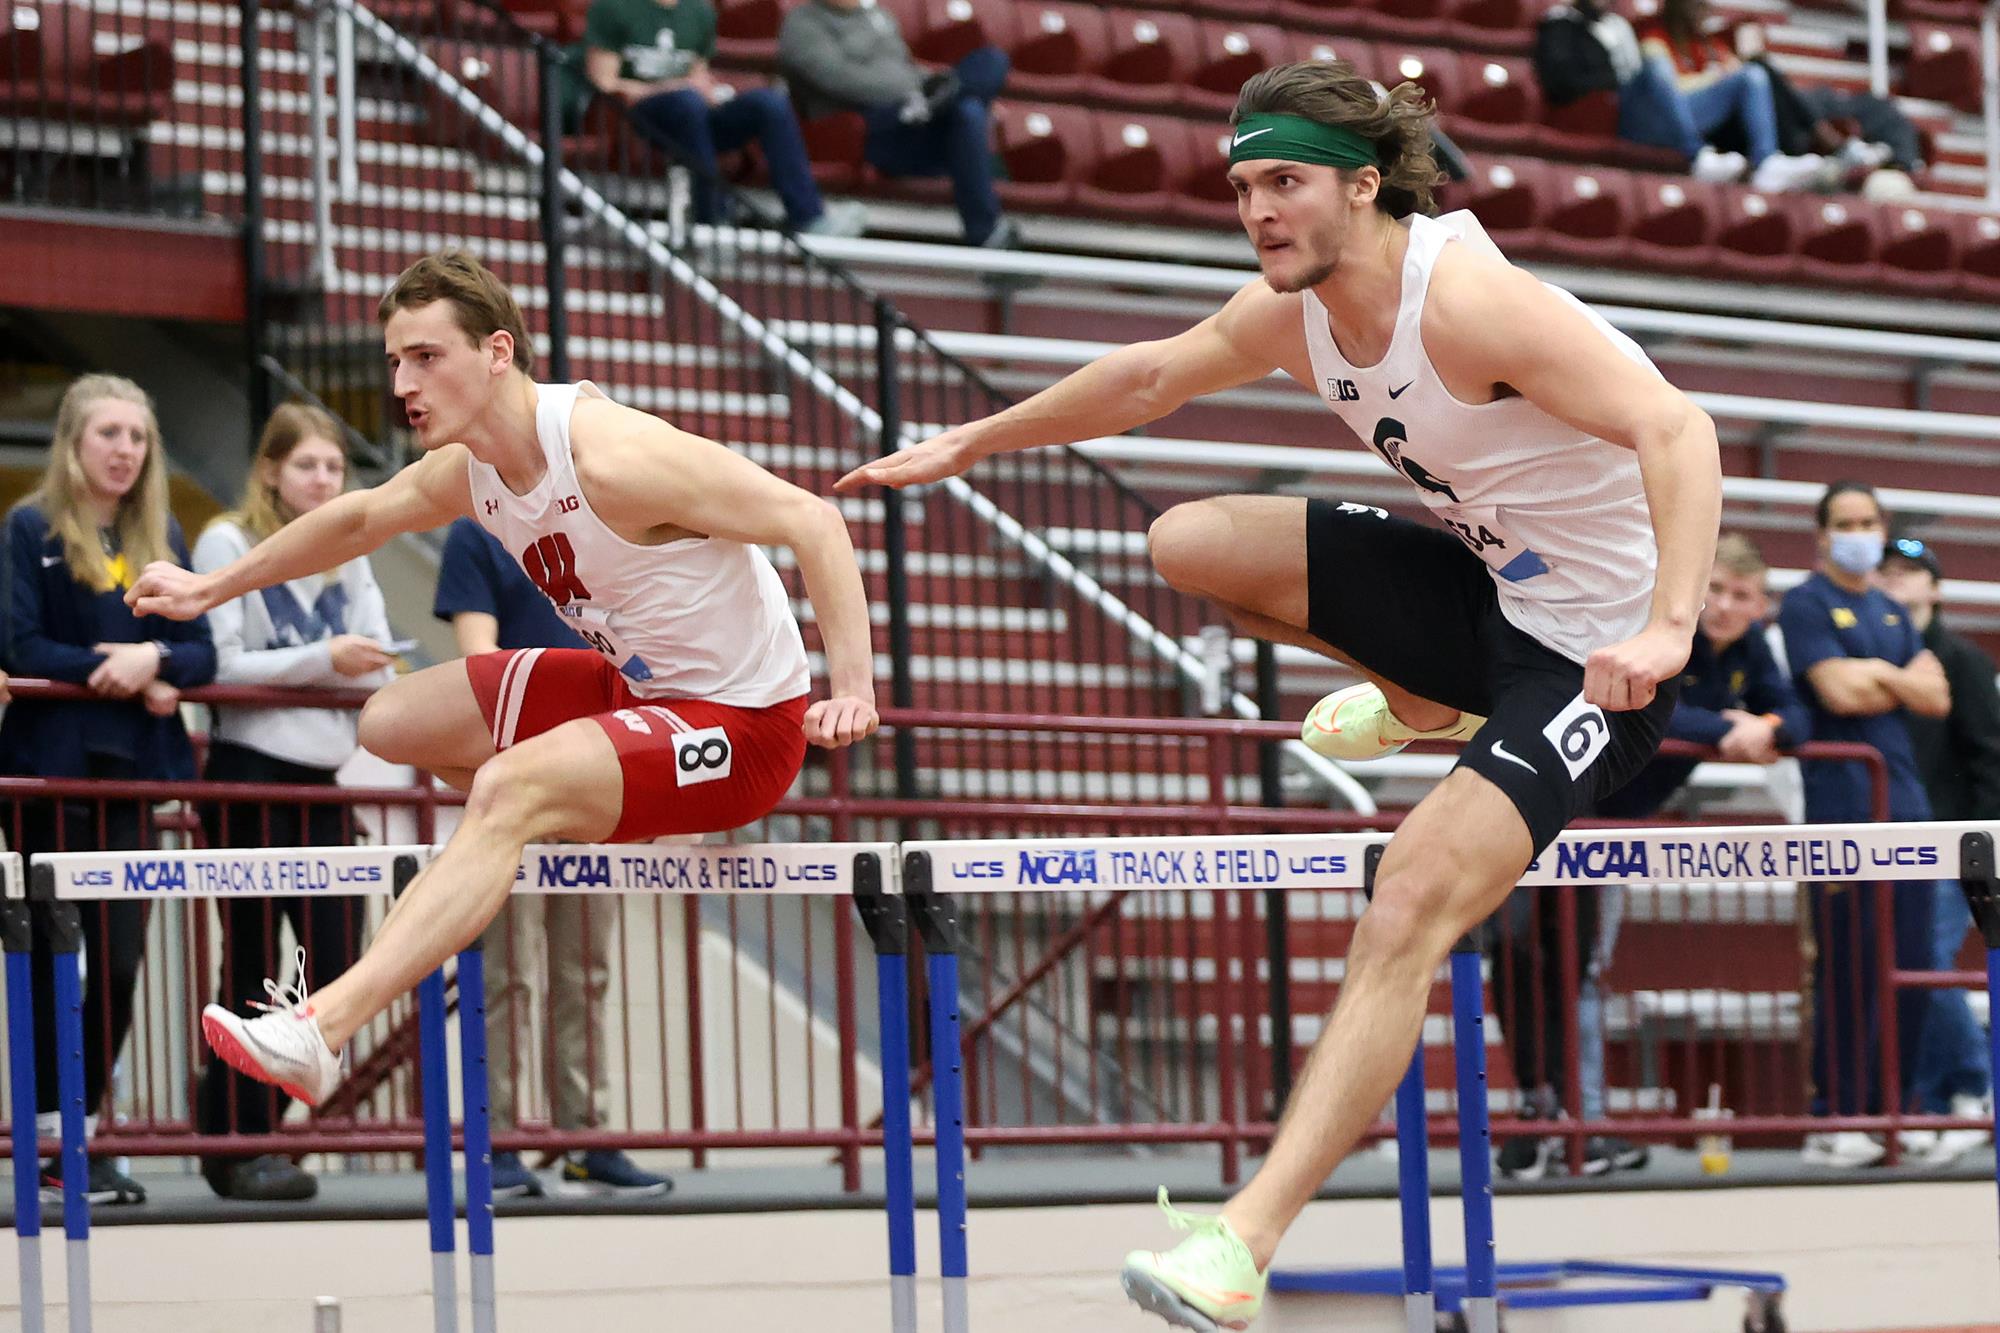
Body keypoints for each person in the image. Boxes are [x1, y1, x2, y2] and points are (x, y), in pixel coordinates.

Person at [838, 60, 1721, 1330]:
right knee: (1189, 543)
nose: (1256, 210)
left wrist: (1668, 626)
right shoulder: (1293, 310)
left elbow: (1676, 430)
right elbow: (1148, 378)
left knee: (1407, 892)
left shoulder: (1470, 301)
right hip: (1487, 594)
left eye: (1285, 182)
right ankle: (1418, 701)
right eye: (1244, 184)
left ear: (1362, 188)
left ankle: (1242, 1239)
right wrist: (970, 442)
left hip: (1596, 662)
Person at [125, 249, 879, 1116]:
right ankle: (553, 813)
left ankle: (321, 1030)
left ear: (497, 351)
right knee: (391, 721)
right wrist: (212, 586)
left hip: (747, 723)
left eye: (426, 357)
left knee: (505, 787)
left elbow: (812, 519)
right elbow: (364, 516)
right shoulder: (472, 472)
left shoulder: (610, 456)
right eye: (394, 361)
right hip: (633, 690)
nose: (403, 383)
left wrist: (850, 685)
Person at [1493, 532, 1810, 1181]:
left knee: (1579, 970)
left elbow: (1798, 717)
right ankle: (1546, 1114)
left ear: (1759, 606)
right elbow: (1651, 708)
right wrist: (1725, 727)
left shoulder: (1749, 651)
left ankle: (1580, 1124)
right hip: (1545, 808)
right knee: (1518, 956)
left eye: (1740, 595)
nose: (1722, 604)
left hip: (1608, 835)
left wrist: (1768, 727)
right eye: (1714, 588)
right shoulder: (1653, 625)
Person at [1, 373, 217, 1206]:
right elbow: (20, 644)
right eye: (110, 434)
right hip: (48, 775)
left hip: (134, 777)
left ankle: (81, 1131)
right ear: (73, 443)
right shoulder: (28, 528)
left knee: (120, 960)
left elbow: (202, 652)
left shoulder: (160, 533)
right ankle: (54, 1138)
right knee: (54, 961)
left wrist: (157, 659)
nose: (126, 450)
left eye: (138, 436)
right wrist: (115, 666)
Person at [191, 403, 399, 1202]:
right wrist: (325, 659)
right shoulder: (228, 540)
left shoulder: (352, 549)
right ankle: (236, 1142)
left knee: (337, 952)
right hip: (248, 770)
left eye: (335, 468)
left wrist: (334, 664)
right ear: (270, 471)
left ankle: (252, 1124)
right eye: (308, 465)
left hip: (320, 781)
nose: (323, 479)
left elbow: (379, 664)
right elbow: (227, 664)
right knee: (249, 961)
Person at [432, 515, 670, 1198]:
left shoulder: (596, 528)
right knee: (503, 968)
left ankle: (584, 1138)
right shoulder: (476, 532)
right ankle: (496, 1142)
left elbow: (635, 648)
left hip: (600, 772)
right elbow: (482, 659)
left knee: (584, 966)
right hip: (524, 776)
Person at [1777, 482, 1950, 1170]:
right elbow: (1837, 691)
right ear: (1822, 536)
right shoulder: (1806, 603)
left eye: (1868, 521)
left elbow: (1936, 695)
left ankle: (1893, 1111)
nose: (1857, 532)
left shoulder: (1890, 608)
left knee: (1907, 965)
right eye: (1844, 523)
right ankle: (1838, 1113)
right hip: (1844, 812)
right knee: (1847, 965)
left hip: (1906, 809)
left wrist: (1876, 670)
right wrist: (1890, 674)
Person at [1876, 534, 1995, 1163]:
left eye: (1910, 571)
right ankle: (1927, 1100)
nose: (1897, 579)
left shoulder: (1964, 662)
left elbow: (1990, 754)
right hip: (1897, 840)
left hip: (1956, 844)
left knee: (1926, 959)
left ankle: (1973, 1088)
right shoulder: (1882, 652)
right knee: (1907, 965)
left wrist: (1982, 843)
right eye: (1887, 570)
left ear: (1937, 587)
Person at [582, 0, 866, 235]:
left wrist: (709, 90)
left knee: (769, 103)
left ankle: (808, 215)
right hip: (639, 116)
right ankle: (711, 218)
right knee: (687, 101)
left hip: (692, 117)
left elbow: (696, 74)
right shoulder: (614, 7)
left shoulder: (699, 11)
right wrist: (673, 88)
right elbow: (604, 83)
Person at [778, 0, 1018, 249]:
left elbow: (905, 67)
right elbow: (839, 79)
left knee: (987, 70)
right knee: (965, 106)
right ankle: (988, 234)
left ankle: (937, 102)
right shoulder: (802, 23)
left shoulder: (877, 15)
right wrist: (916, 91)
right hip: (870, 129)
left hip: (917, 118)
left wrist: (932, 86)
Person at [1617, 0, 1825, 191]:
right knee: (1660, 70)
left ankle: (1766, 161)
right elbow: (1667, 88)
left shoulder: (1704, 43)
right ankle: (1697, 155)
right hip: (1647, 122)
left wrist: (1721, 72)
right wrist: (1712, 77)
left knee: (1753, 75)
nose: (1704, 12)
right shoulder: (1652, 33)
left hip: (1687, 116)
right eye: (1698, 5)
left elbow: (1735, 71)